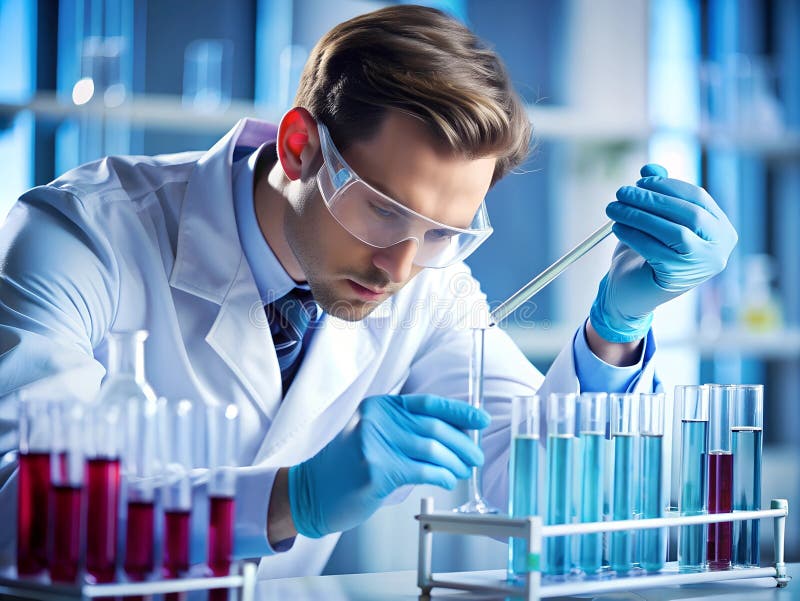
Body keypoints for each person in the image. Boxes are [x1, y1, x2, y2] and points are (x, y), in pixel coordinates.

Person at [0, 5, 736, 578]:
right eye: (385, 209)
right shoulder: (82, 234)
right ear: (298, 147)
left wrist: (614, 329)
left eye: (446, 231)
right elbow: (16, 516)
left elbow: (535, 493)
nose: (401, 268)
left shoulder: (430, 282)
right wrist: (292, 498)